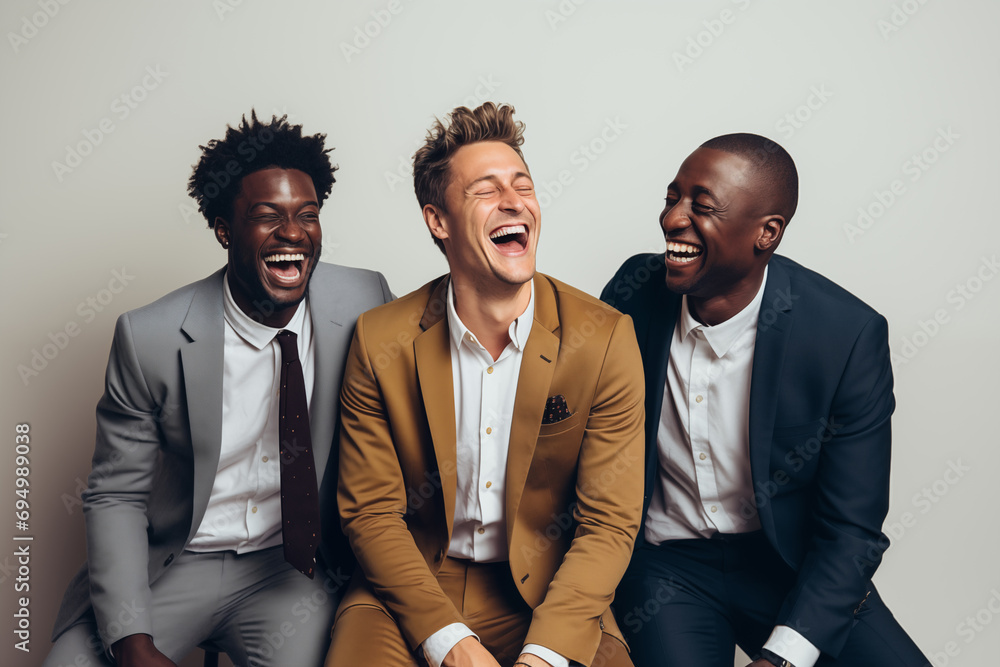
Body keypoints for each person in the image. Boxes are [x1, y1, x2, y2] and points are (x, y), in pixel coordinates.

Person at [44, 112, 392, 667]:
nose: (294, 233)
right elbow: (117, 495)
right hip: (176, 562)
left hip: (292, 571)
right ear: (224, 229)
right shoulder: (150, 337)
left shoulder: (363, 299)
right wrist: (133, 642)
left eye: (308, 215)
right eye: (267, 216)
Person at [326, 102, 645, 667]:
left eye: (523, 185)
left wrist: (545, 653)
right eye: (485, 190)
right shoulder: (381, 339)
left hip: (549, 593)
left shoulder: (605, 338)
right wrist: (449, 640)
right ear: (438, 221)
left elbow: (608, 523)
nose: (513, 201)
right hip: (409, 587)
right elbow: (371, 513)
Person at [601, 133, 928, 667]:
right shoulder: (636, 291)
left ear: (766, 233)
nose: (671, 220)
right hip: (667, 569)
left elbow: (852, 530)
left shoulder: (845, 336)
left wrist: (782, 658)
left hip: (793, 567)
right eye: (671, 199)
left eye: (701, 207)